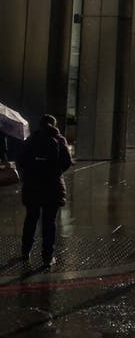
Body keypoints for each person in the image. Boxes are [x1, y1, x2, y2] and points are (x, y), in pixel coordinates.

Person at [16, 114, 73, 270]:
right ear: (54, 124)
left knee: (31, 219)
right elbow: (67, 162)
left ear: (39, 124)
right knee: (49, 222)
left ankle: (25, 251)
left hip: (32, 186)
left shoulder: (31, 140)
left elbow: (20, 160)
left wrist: (30, 173)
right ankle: (47, 258)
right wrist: (55, 171)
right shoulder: (59, 140)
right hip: (52, 187)